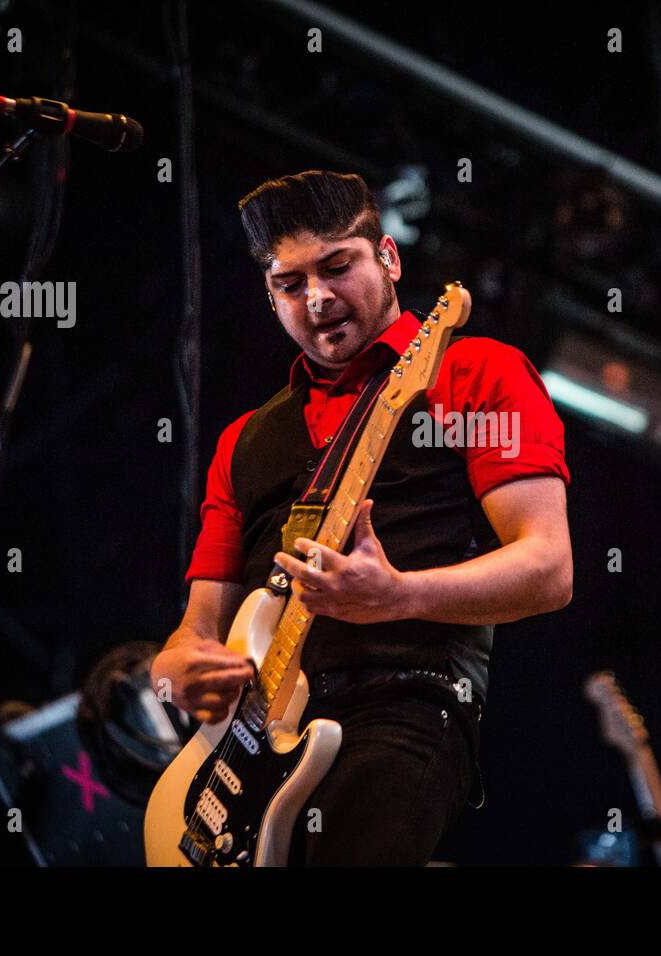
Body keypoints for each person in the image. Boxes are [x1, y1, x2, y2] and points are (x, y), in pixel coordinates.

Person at [151, 169, 572, 865]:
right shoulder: (242, 442)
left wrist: (400, 594)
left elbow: (550, 568)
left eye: (337, 265)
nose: (316, 297)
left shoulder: (473, 374)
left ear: (389, 258)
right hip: (246, 750)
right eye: (289, 283)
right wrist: (176, 671)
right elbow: (192, 636)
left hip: (401, 710)